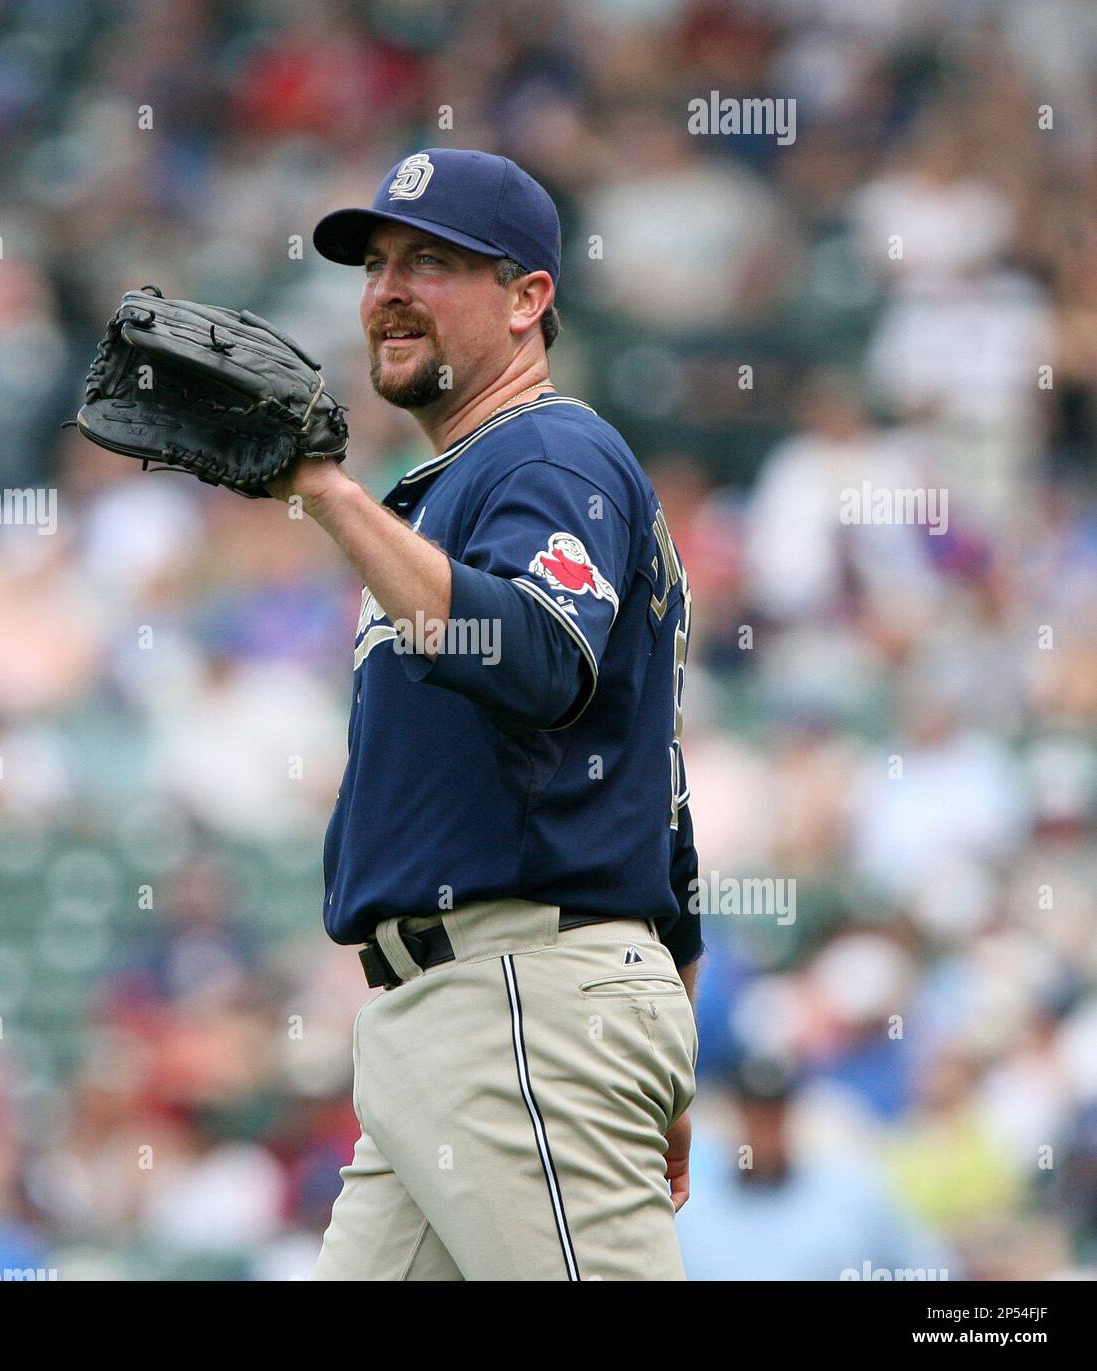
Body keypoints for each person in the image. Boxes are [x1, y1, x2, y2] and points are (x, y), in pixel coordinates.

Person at [269, 148, 704, 1280]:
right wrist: (668, 1025)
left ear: (527, 300)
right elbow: (660, 802)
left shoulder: (548, 451)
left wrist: (324, 494)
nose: (387, 290)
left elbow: (534, 662)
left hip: (520, 1002)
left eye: (432, 262)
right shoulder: (465, 486)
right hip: (467, 1021)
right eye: (375, 265)